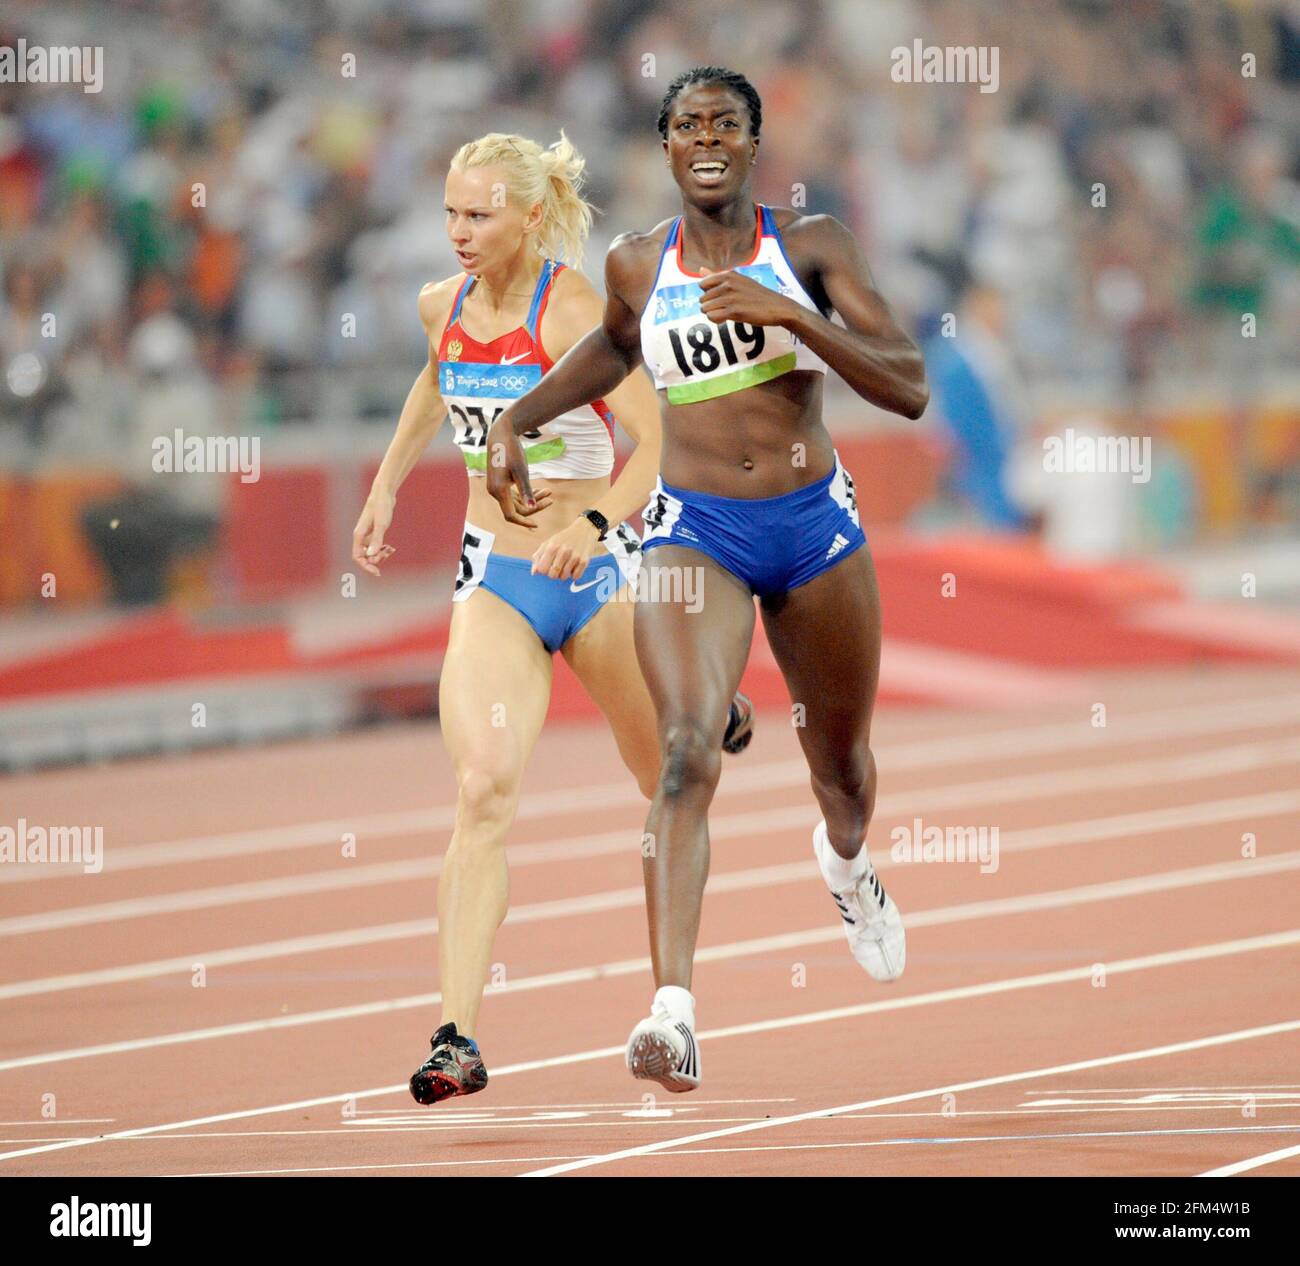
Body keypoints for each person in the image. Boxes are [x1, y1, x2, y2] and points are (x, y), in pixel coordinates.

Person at [485, 68, 928, 1093]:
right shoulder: (638, 262)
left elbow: (905, 383)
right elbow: (608, 349)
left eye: (725, 121)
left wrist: (795, 317)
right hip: (697, 532)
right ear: (668, 146)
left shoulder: (812, 247)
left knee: (844, 771)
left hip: (814, 527)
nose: (706, 137)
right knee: (686, 750)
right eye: (687, 125)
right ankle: (671, 1016)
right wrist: (518, 419)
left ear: (753, 139)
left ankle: (847, 865)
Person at [351, 131, 753, 1104]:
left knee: (664, 774)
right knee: (483, 788)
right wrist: (387, 485)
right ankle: (456, 1038)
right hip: (495, 579)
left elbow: (656, 441)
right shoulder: (436, 306)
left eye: (478, 214)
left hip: (595, 576)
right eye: (449, 212)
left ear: (530, 217)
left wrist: (599, 523)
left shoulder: (573, 309)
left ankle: (673, 1006)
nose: (457, 231)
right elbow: (434, 379)